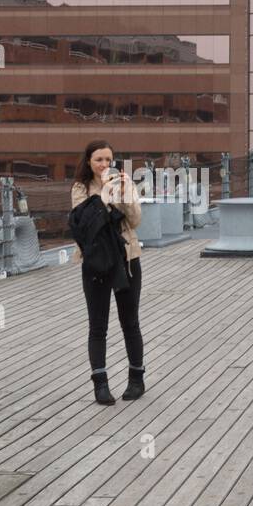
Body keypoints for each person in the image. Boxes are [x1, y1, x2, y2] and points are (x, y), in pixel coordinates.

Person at [70, 139, 144, 406]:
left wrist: (122, 196)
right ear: (88, 161)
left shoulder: (125, 184)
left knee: (130, 322)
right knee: (97, 325)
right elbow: (84, 224)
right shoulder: (80, 188)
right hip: (96, 262)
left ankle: (137, 378)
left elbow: (135, 220)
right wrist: (103, 196)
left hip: (126, 259)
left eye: (108, 160)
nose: (104, 165)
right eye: (98, 159)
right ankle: (100, 384)